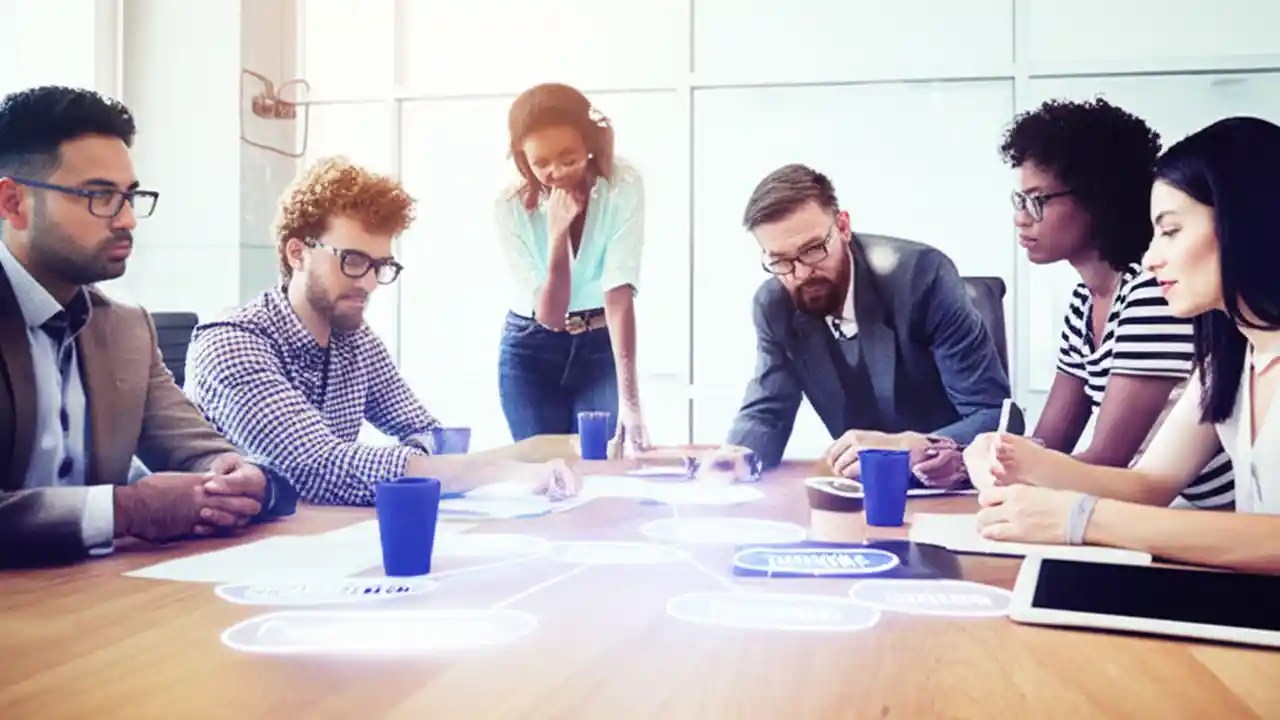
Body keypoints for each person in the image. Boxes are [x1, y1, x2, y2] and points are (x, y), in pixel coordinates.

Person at [964, 116, 1280, 574]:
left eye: (1170, 231)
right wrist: (1017, 459)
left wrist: (1081, 517)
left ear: (1246, 223)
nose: (1152, 259)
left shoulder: (1153, 300)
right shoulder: (1232, 353)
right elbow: (1150, 482)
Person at [0, 86, 290, 567]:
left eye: (130, 196)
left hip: (87, 597)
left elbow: (204, 453)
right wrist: (123, 511)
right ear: (13, 203)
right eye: (99, 196)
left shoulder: (127, 329)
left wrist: (243, 479)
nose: (128, 220)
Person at [186, 156, 578, 506]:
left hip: (315, 537)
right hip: (210, 563)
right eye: (353, 260)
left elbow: (426, 431)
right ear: (297, 253)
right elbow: (316, 468)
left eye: (380, 266)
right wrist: (496, 471)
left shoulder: (352, 338)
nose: (370, 283)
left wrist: (411, 462)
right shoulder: (231, 343)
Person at [999, 97, 1232, 508]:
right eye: (1020, 201)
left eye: (1038, 200)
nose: (1022, 217)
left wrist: (1010, 464)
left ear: (1096, 199)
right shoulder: (1084, 303)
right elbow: (1049, 444)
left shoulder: (1153, 292)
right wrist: (972, 458)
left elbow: (1109, 462)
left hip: (1200, 515)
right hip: (1164, 509)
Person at [725, 163, 1010, 482]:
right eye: (779, 261)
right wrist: (734, 460)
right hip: (854, 492)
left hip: (949, 490)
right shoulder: (774, 304)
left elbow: (996, 417)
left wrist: (912, 447)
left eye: (813, 250)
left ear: (843, 226)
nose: (801, 273)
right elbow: (767, 413)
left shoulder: (922, 278)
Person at [495, 83, 648, 454]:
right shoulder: (510, 205)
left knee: (599, 467)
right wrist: (557, 234)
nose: (557, 172)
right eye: (541, 163)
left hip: (599, 343)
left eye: (569, 158)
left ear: (589, 145)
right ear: (522, 160)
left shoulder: (622, 184)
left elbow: (618, 294)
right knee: (544, 474)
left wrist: (631, 404)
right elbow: (549, 314)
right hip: (531, 349)